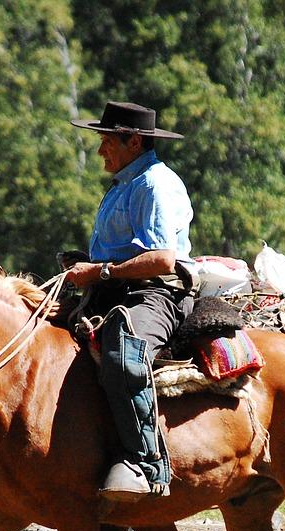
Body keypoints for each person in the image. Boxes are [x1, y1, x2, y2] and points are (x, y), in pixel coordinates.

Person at [65, 100, 195, 502]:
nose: (101, 149)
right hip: (116, 287)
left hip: (157, 292)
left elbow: (161, 259)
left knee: (123, 351)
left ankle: (145, 459)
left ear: (133, 141)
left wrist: (99, 271)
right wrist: (87, 265)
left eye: (107, 140)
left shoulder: (153, 184)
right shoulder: (125, 182)